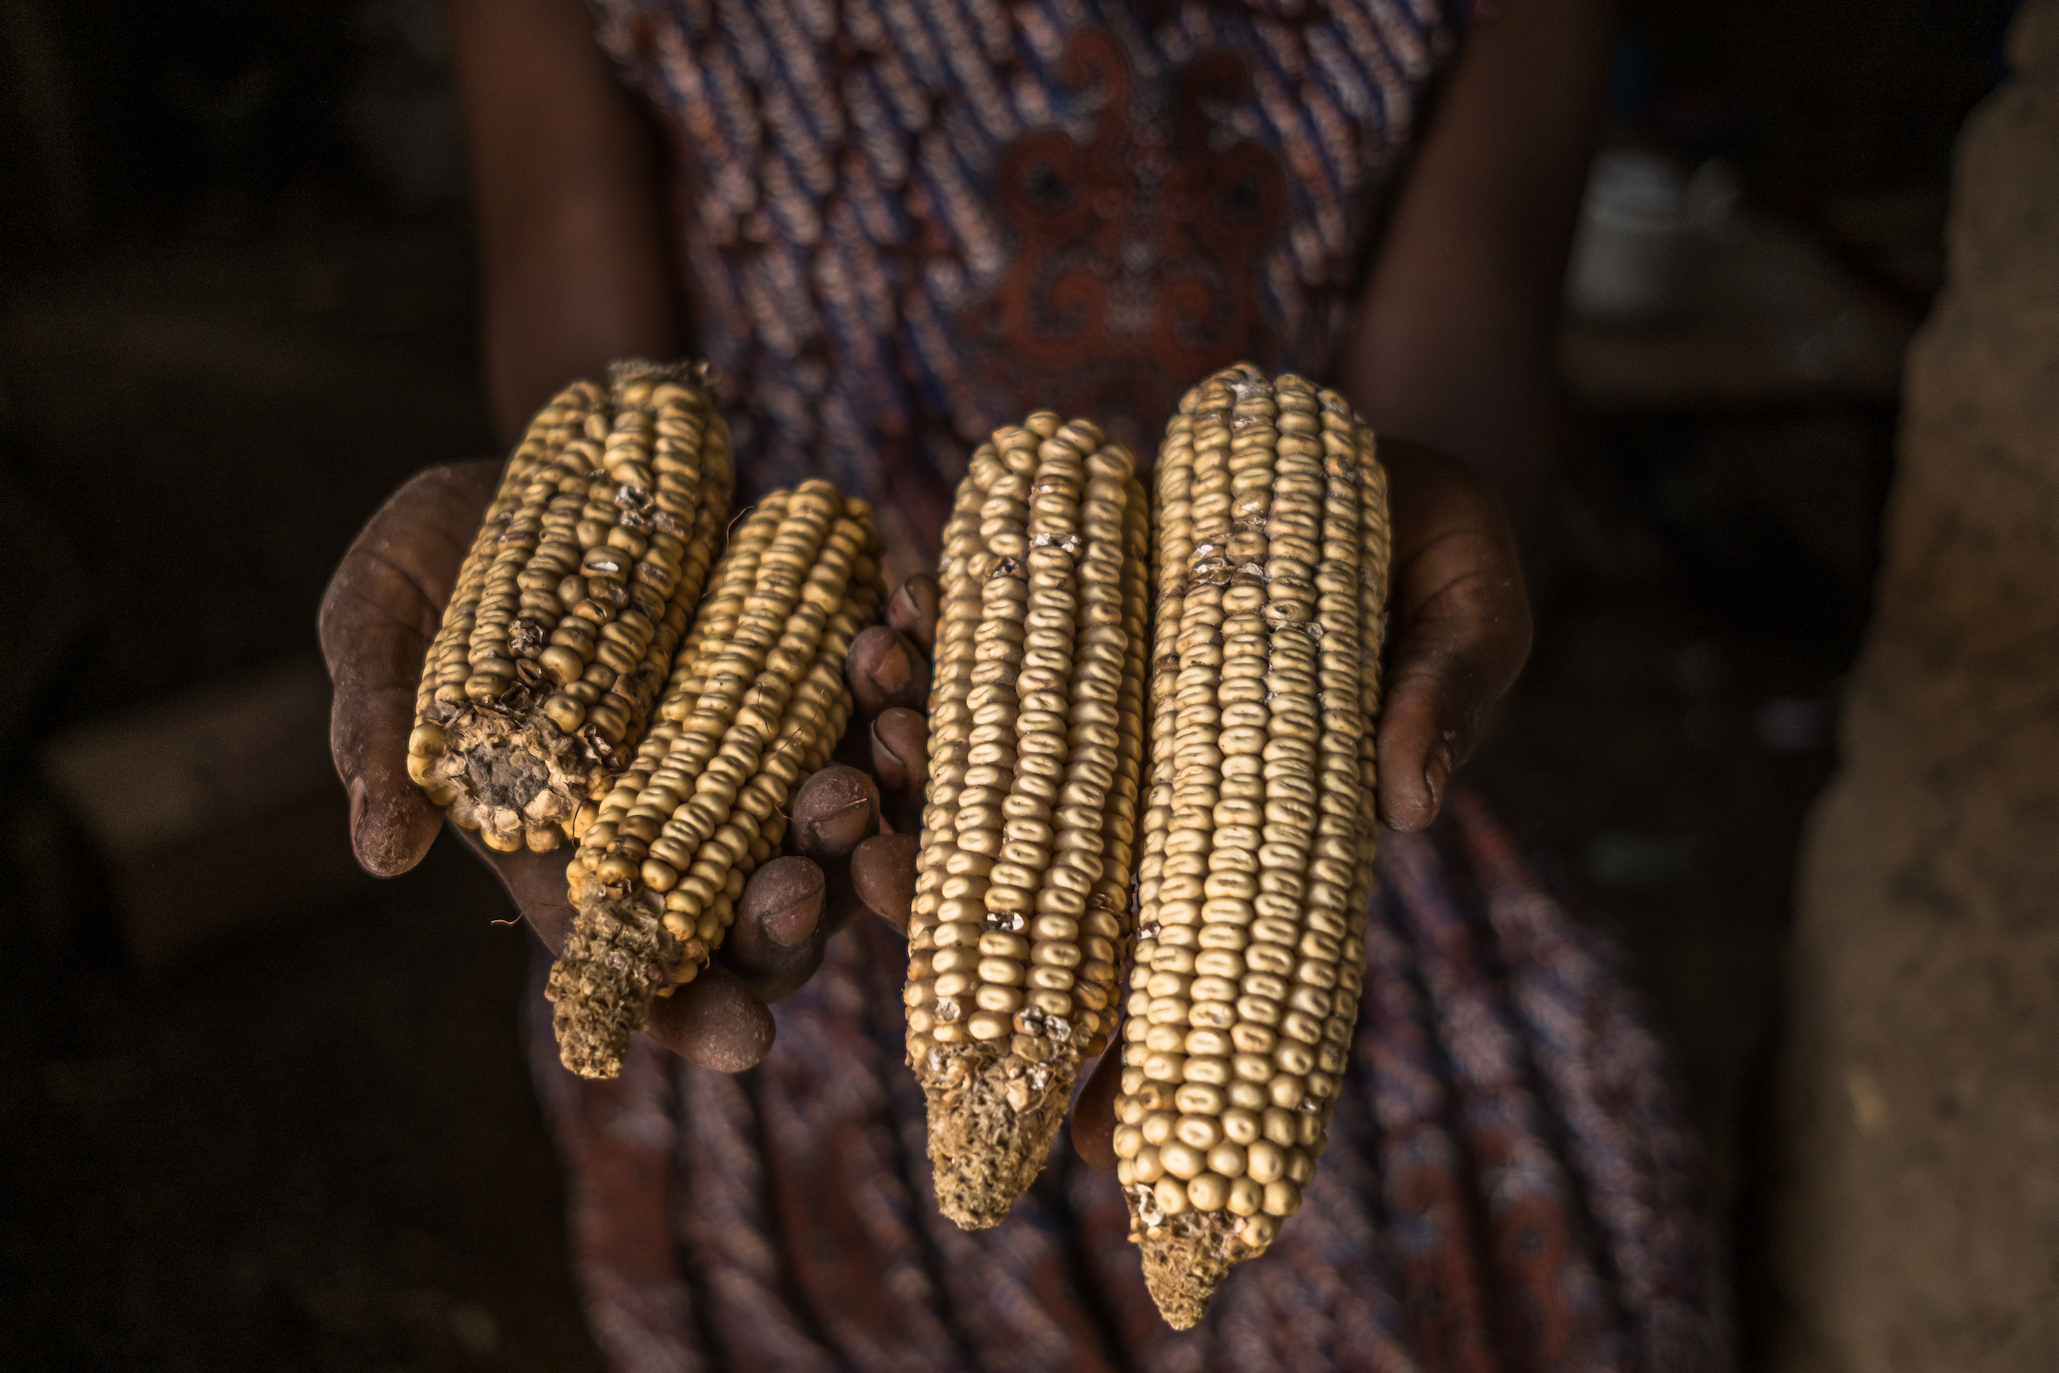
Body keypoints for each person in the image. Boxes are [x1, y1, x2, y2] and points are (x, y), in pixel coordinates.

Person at [321, 0, 1728, 1366]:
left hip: (1278, 717)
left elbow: (1462, 380)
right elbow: (586, 328)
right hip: (786, 707)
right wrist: (584, 548)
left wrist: (1377, 535)